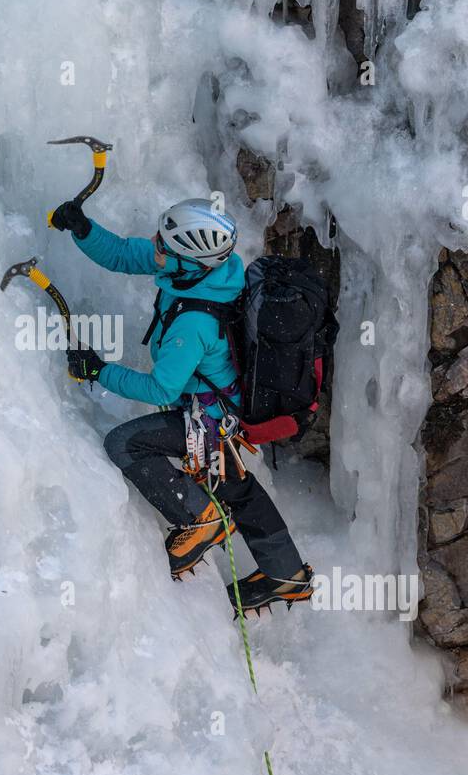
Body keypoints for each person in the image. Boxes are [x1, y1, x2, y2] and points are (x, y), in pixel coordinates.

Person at [50, 196, 313, 611]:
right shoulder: (208, 271)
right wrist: (83, 230)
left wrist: (98, 371)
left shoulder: (193, 323)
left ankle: (199, 518)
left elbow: (161, 390)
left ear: (185, 261)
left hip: (208, 421)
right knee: (237, 487)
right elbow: (124, 255)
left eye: (163, 245)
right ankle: (287, 574)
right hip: (218, 409)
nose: (154, 245)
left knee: (125, 444)